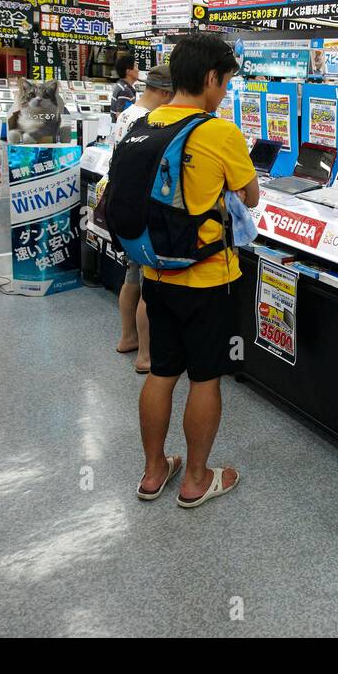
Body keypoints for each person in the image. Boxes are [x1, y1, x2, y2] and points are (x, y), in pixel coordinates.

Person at [135, 34, 257, 508]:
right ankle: (196, 479)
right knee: (205, 378)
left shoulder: (147, 122)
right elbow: (251, 196)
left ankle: (153, 472)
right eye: (225, 83)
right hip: (208, 278)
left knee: (162, 372)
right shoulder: (219, 133)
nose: (225, 92)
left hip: (156, 273)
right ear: (210, 78)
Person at [109, 63, 174, 374]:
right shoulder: (150, 122)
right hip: (143, 213)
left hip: (121, 207)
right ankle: (146, 355)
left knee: (131, 277)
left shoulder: (125, 115)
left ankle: (127, 338)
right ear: (163, 92)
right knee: (150, 283)